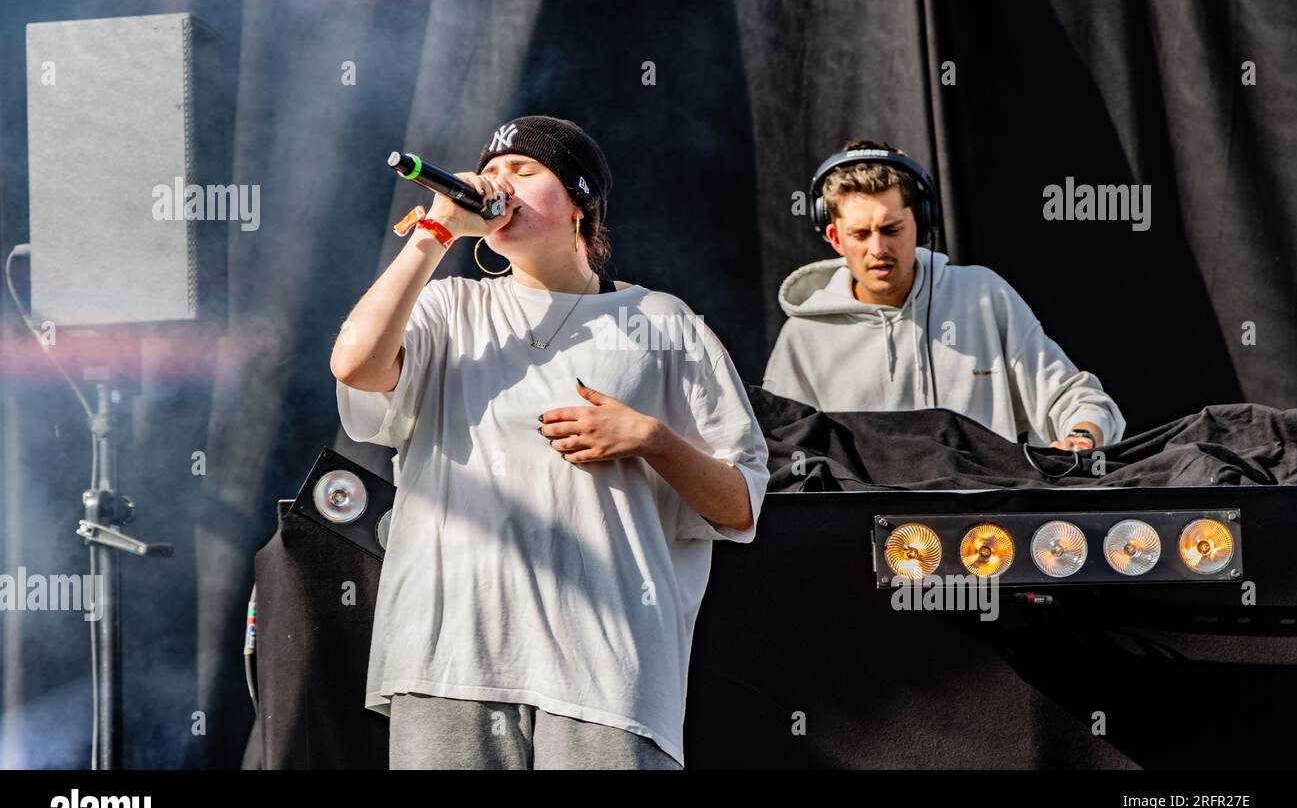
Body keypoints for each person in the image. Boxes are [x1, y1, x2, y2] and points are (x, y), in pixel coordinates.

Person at [331, 115, 768, 770]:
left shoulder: (659, 321)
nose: (496, 184)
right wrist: (435, 231)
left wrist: (652, 440)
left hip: (605, 667)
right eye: (492, 171)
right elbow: (356, 365)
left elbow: (740, 504)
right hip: (451, 655)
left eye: (523, 170)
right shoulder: (452, 307)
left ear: (579, 202)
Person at [762, 138, 1125, 451]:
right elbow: (777, 450)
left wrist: (1081, 436)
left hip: (986, 529)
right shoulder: (803, 337)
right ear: (836, 239)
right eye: (861, 234)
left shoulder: (983, 296)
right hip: (862, 530)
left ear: (919, 223)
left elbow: (1077, 399)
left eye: (892, 229)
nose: (878, 248)